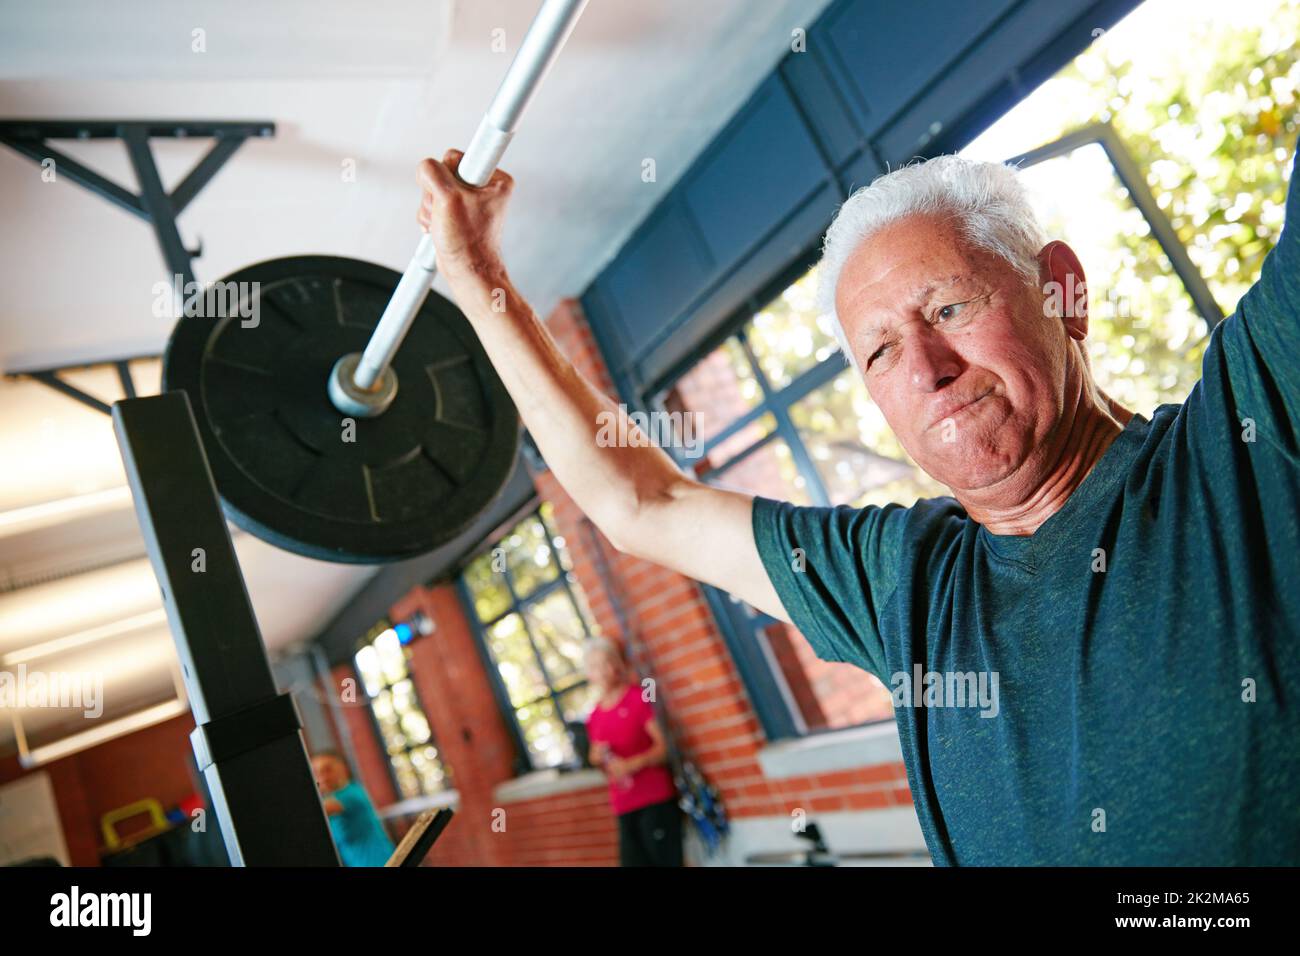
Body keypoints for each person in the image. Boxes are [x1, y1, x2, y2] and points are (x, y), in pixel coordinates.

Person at [412, 131, 1300, 865]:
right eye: (878, 353)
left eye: (949, 308)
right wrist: (473, 273)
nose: (925, 370)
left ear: (1061, 291)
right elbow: (639, 502)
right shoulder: (905, 583)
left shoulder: (1250, 441)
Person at [583, 637, 682, 866]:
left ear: (618, 665)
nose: (605, 670)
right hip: (624, 804)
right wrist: (595, 759)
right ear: (589, 674)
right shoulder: (594, 717)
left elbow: (664, 748)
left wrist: (633, 764)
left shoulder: (639, 697)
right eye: (597, 666)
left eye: (609, 662)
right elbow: (600, 762)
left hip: (654, 799)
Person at [311, 752, 396, 867]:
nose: (322, 777)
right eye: (316, 772)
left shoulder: (352, 793)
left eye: (328, 770)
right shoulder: (332, 798)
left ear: (343, 768)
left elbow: (314, 812)